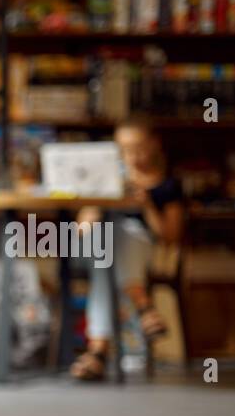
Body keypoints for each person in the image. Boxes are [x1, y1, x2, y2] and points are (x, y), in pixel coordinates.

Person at [70, 116, 186, 381]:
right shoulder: (104, 181)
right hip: (91, 249)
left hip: (138, 251)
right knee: (105, 239)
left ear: (154, 144)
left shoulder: (168, 186)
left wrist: (146, 204)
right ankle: (142, 304)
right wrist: (99, 200)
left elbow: (169, 238)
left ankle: (97, 353)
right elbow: (80, 232)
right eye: (125, 149)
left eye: (139, 147)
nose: (133, 155)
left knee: (117, 244)